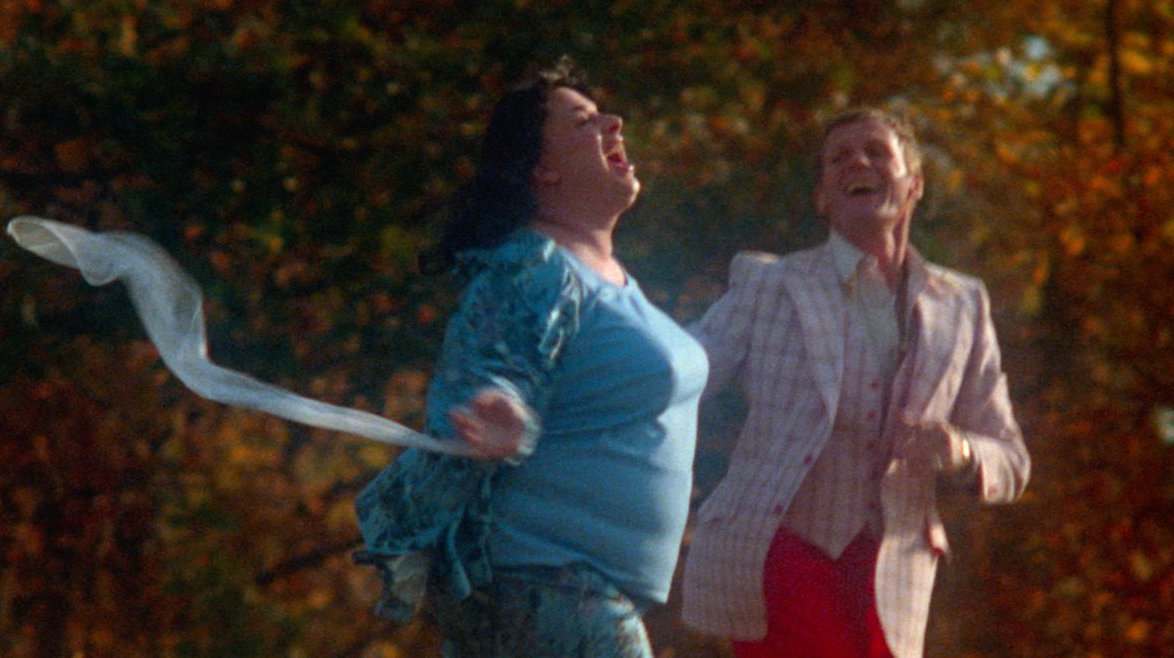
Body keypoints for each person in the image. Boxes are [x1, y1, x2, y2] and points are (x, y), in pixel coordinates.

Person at [352, 61, 708, 658]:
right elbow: (492, 366)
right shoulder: (532, 269)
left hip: (573, 593)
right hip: (544, 585)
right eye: (584, 122)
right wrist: (498, 409)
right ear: (543, 170)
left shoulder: (613, 281)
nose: (614, 123)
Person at [679, 107, 1031, 658]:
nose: (857, 163)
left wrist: (960, 451)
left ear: (915, 184)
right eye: (839, 158)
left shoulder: (963, 303)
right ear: (822, 198)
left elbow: (1011, 460)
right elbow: (679, 372)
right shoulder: (771, 285)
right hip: (782, 555)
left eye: (876, 152)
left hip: (896, 578)